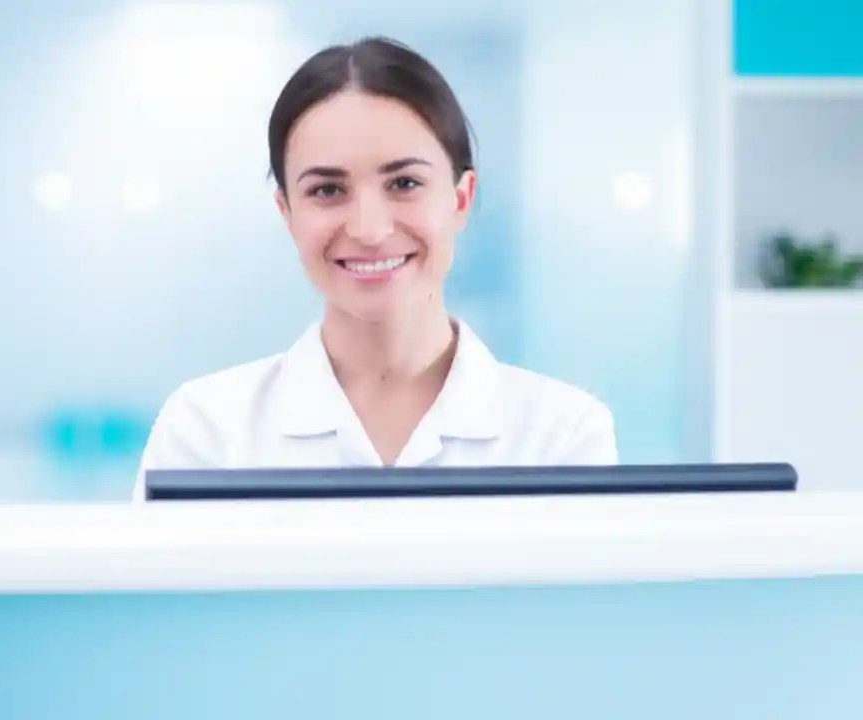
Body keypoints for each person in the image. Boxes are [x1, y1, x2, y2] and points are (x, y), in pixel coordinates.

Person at [134, 36, 616, 500]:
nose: (368, 228)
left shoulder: (562, 435)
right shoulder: (205, 433)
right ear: (288, 214)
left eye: (404, 183)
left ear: (460, 199)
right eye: (327, 190)